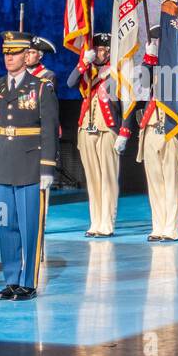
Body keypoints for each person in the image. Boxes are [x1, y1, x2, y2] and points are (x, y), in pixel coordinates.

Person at [0, 30, 59, 301]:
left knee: (29, 227)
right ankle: (11, 279)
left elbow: (49, 130)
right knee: (5, 225)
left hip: (29, 165)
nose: (9, 57)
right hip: (2, 164)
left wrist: (47, 168)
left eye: (14, 53)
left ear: (26, 56)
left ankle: (28, 282)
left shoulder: (40, 87)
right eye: (6, 53)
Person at [117, 26, 178, 242]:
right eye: (160, 41)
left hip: (172, 131)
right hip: (151, 127)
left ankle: (170, 228)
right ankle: (158, 226)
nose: (163, 45)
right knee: (154, 180)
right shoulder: (153, 66)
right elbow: (142, 85)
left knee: (171, 181)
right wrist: (148, 58)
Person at [67, 32, 120, 237]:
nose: (100, 53)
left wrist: (124, 130)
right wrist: (83, 63)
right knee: (93, 178)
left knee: (108, 178)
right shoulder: (88, 71)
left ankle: (107, 222)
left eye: (104, 50)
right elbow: (71, 82)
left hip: (108, 128)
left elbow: (124, 102)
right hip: (86, 128)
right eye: (97, 49)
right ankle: (96, 221)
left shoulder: (117, 72)